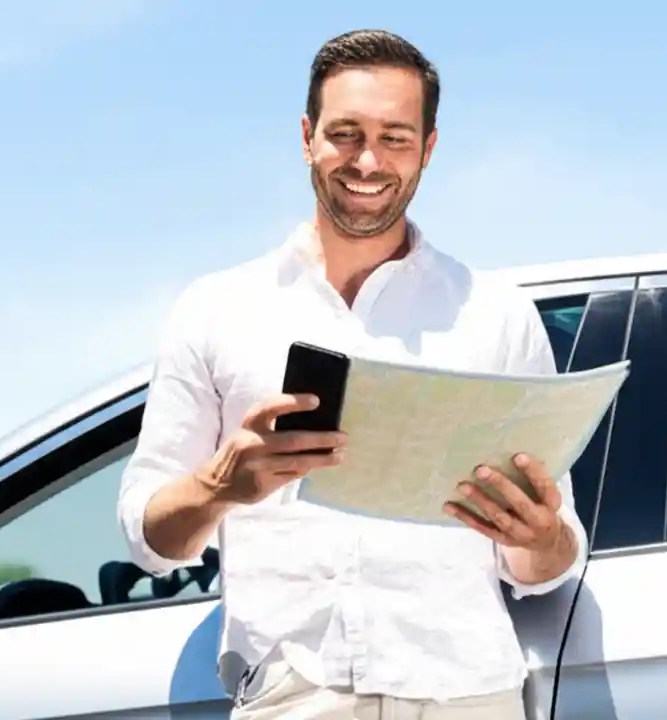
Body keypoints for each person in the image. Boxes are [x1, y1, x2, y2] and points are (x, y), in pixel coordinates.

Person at [117, 28, 588, 720]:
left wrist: (540, 538)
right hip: (294, 699)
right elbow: (149, 539)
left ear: (428, 149)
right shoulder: (216, 309)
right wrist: (223, 484)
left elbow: (549, 563)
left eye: (395, 138)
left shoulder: (496, 315)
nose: (368, 160)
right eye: (346, 133)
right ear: (307, 136)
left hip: (466, 697)